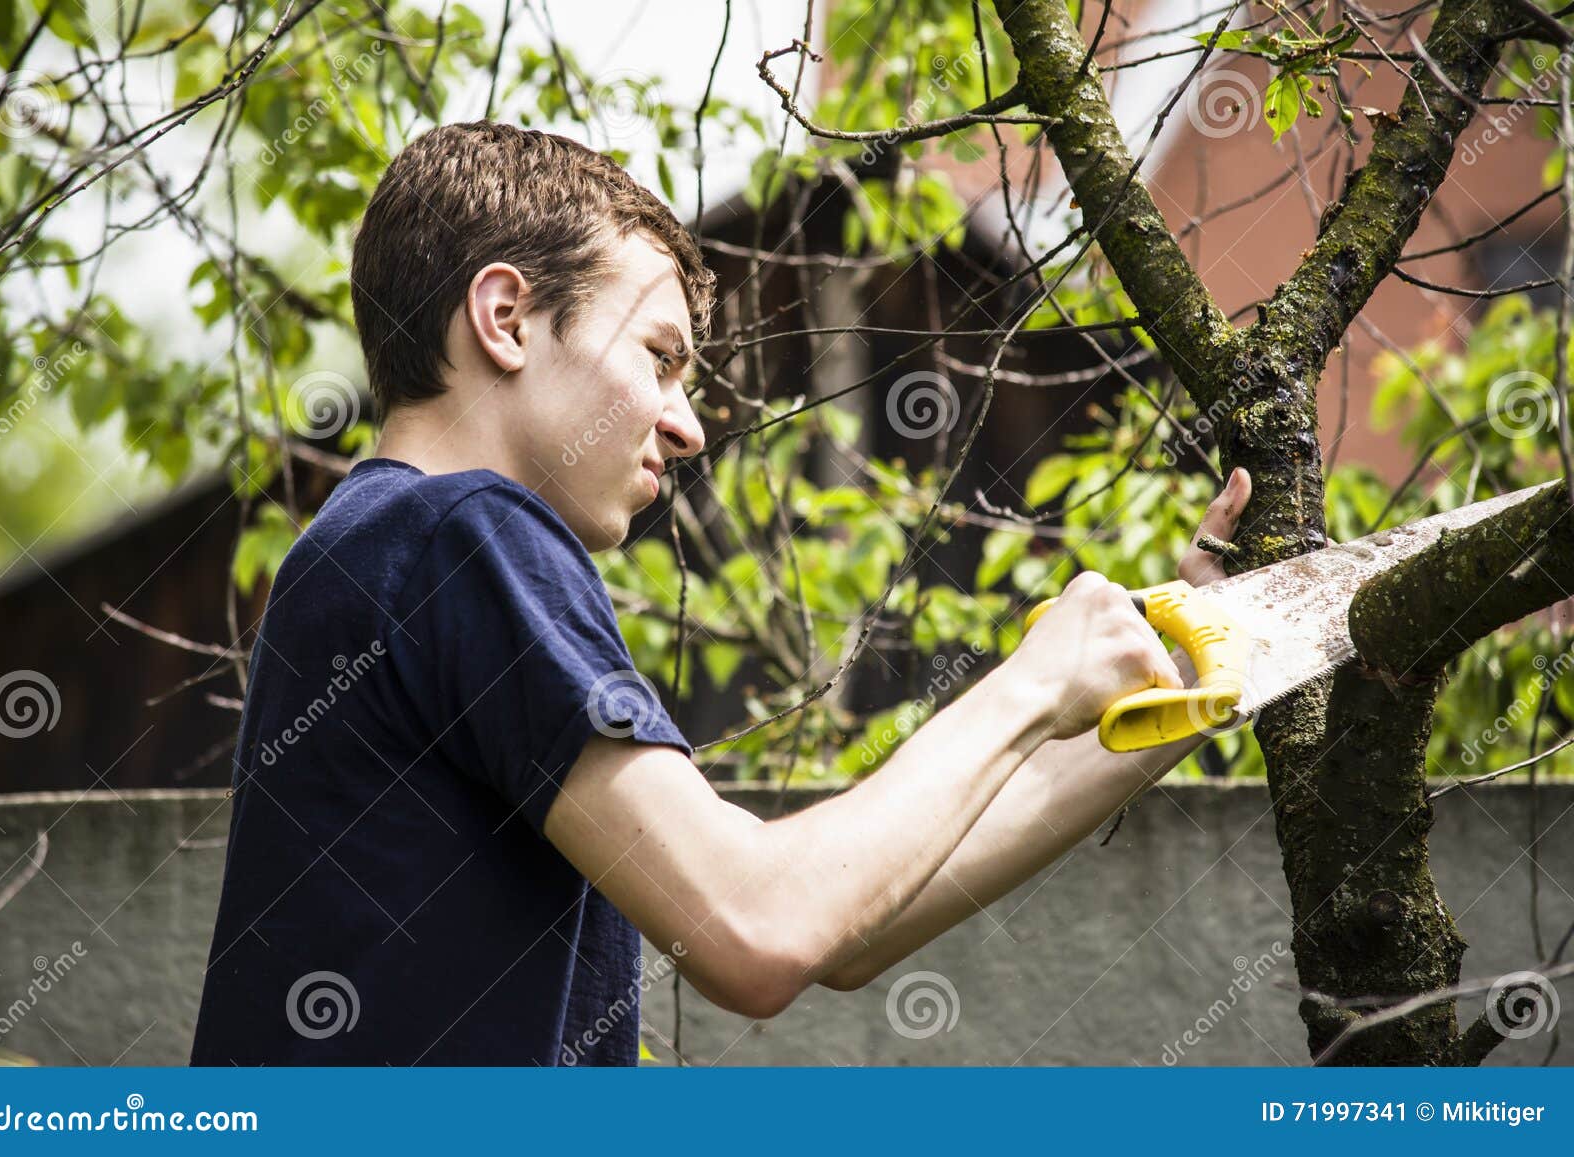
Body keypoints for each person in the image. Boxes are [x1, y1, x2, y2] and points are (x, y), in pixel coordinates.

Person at [189, 121, 1253, 1066]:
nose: (688, 423)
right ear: (507, 317)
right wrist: (1032, 679)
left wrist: (1151, 711)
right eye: (659, 359)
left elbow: (842, 926)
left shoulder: (379, 548)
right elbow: (759, 929)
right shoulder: (459, 529)